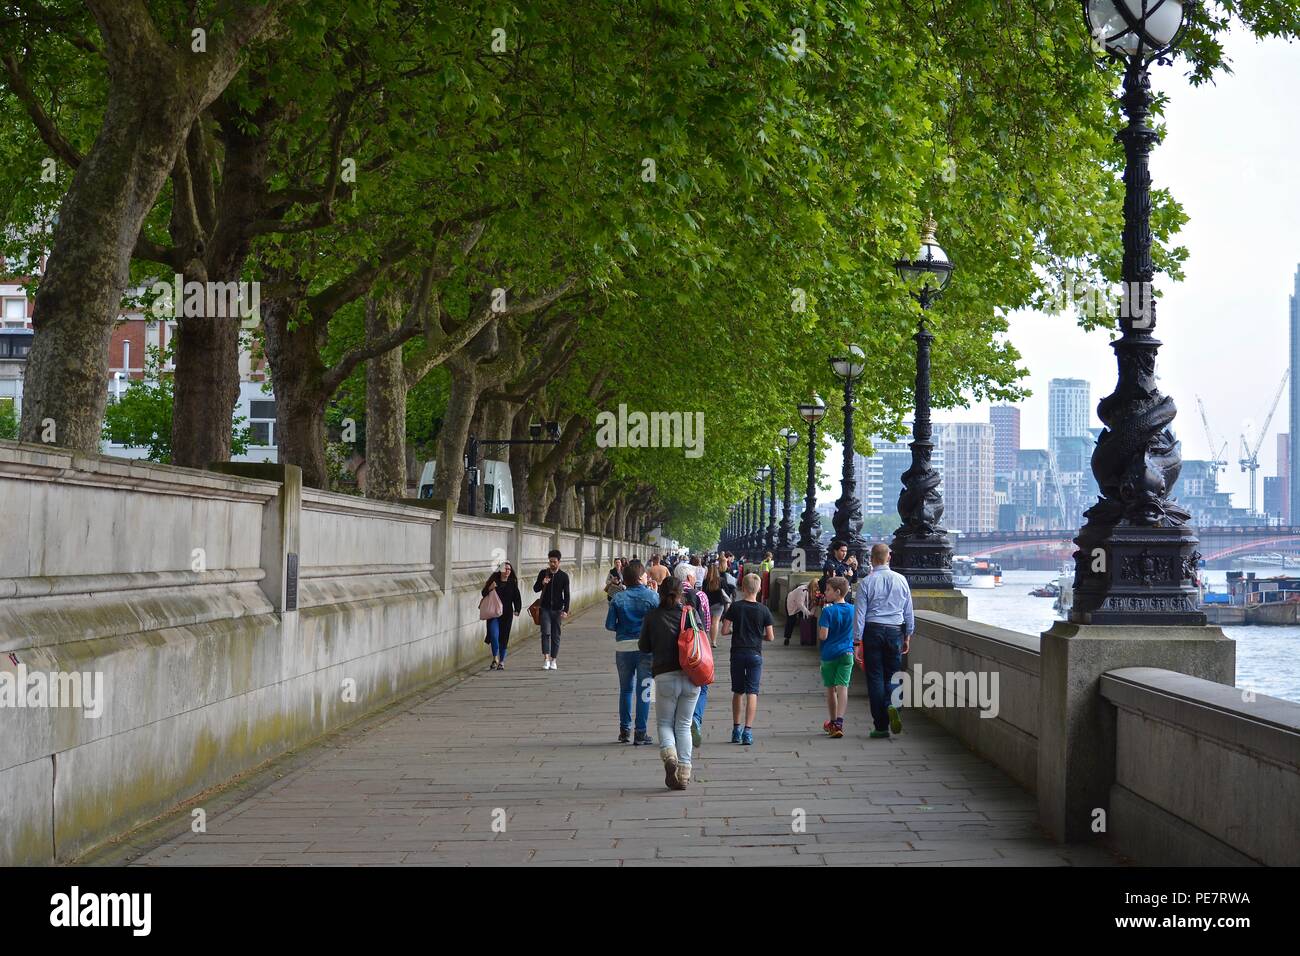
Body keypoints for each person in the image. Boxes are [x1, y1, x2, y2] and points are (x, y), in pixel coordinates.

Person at [638, 576, 703, 791]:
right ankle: (684, 773)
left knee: (665, 723)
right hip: (692, 675)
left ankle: (670, 755)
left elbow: (644, 647)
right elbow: (700, 639)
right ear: (681, 594)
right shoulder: (691, 613)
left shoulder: (652, 616)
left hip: (664, 675)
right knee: (684, 725)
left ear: (660, 593)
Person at [853, 543, 914, 739]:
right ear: (889, 557)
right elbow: (908, 612)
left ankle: (880, 726)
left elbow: (859, 614)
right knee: (893, 674)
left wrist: (856, 641)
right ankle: (893, 704)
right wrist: (908, 635)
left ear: (871, 558)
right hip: (895, 631)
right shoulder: (901, 580)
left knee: (875, 678)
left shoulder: (866, 582)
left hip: (873, 631)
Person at [605, 559, 659, 745]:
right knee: (644, 691)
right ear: (640, 577)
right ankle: (641, 732)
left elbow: (610, 625)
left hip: (623, 647)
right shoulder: (652, 597)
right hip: (646, 648)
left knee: (626, 690)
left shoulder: (618, 598)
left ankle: (624, 730)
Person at [720, 572, 774, 745]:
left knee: (738, 691)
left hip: (737, 652)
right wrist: (759, 637)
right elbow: (771, 636)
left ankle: (736, 729)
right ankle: (748, 731)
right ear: (758, 590)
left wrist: (736, 632)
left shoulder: (735, 607)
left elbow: (724, 630)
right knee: (752, 692)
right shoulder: (764, 610)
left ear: (742, 588)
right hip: (755, 653)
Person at [817, 576, 855, 737]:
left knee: (831, 689)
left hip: (829, 654)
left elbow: (823, 636)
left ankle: (833, 722)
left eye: (828, 590)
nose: (825, 592)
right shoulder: (854, 609)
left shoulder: (828, 611)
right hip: (847, 653)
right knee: (843, 687)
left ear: (837, 592)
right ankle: (839, 721)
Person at [679, 565, 712, 748]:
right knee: (703, 684)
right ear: (690, 576)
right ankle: (696, 718)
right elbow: (706, 622)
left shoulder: (667, 592)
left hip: (675, 649)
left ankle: (679, 724)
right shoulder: (699, 595)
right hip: (695, 647)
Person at [533, 549, 570, 670]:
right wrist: (542, 583)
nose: (552, 564)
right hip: (545, 609)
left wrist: (565, 610)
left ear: (559, 562)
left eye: (554, 561)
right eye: (550, 561)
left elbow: (567, 594)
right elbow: (535, 589)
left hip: (558, 610)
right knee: (545, 633)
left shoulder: (564, 576)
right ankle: (546, 658)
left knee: (556, 635)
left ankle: (554, 659)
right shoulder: (543, 573)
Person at [481, 561, 522, 670]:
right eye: (505, 569)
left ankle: (502, 661)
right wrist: (490, 588)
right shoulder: (494, 581)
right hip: (494, 613)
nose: (507, 571)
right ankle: (495, 658)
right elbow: (483, 593)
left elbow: (517, 598)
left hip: (507, 615)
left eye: (509, 569)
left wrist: (517, 609)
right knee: (494, 635)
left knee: (504, 637)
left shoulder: (512, 583)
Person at [784, 580, 811, 645]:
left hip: (801, 604)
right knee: (791, 620)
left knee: (804, 620)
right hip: (791, 602)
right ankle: (787, 638)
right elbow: (800, 604)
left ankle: (804, 639)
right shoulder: (802, 590)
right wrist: (809, 613)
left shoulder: (811, 590)